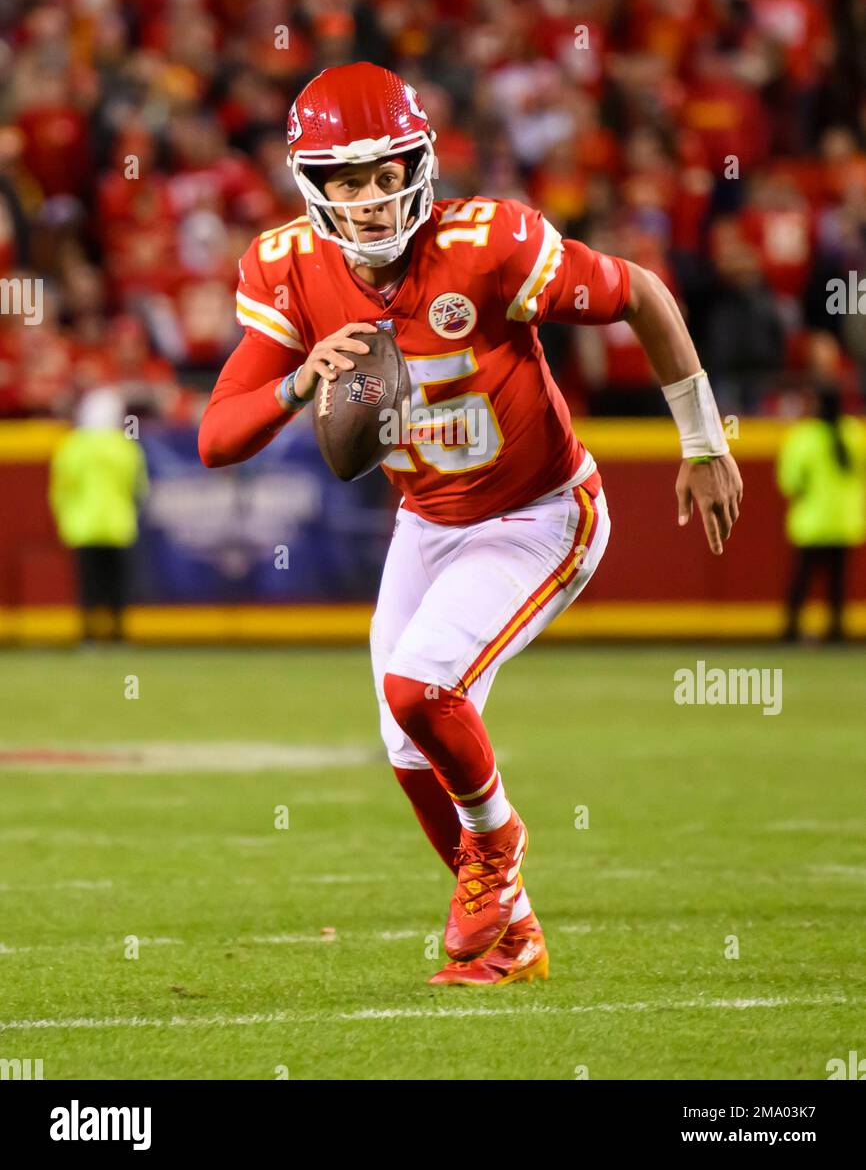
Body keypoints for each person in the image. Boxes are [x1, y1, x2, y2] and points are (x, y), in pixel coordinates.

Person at [198, 63, 742, 986]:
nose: (369, 199)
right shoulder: (290, 269)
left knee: (420, 686)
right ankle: (514, 937)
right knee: (403, 737)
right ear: (312, 185)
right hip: (429, 518)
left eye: (385, 172)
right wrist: (298, 381)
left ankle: (498, 844)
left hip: (539, 512)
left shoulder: (491, 246)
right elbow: (216, 435)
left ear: (421, 163)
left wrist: (700, 439)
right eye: (345, 180)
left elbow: (642, 293)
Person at [49, 386, 149, 642]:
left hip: (83, 525)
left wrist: (64, 517)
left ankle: (89, 635)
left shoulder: (73, 446)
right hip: (119, 524)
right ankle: (118, 634)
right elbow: (139, 488)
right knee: (117, 585)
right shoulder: (125, 448)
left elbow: (62, 488)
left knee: (89, 585)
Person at [777, 384, 866, 642]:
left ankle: (791, 630)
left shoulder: (804, 437)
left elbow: (790, 481)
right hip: (844, 521)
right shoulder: (854, 433)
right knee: (837, 583)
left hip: (812, 522)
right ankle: (836, 631)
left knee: (801, 580)